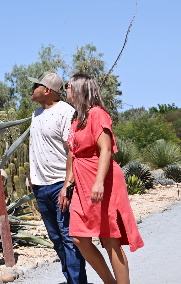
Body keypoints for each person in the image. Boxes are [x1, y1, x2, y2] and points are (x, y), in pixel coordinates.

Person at [60, 73, 143, 284]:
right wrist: (67, 185)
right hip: (81, 182)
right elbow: (73, 154)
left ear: (79, 89)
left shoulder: (97, 113)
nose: (65, 89)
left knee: (109, 238)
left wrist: (98, 183)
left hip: (101, 179)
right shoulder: (77, 118)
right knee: (79, 238)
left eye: (68, 85)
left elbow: (105, 149)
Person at [27, 72, 88, 284]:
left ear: (47, 90)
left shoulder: (66, 112)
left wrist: (67, 185)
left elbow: (72, 150)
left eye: (35, 85)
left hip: (60, 185)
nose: (31, 89)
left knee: (69, 238)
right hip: (40, 187)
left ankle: (78, 281)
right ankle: (71, 279)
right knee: (56, 238)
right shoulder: (36, 114)